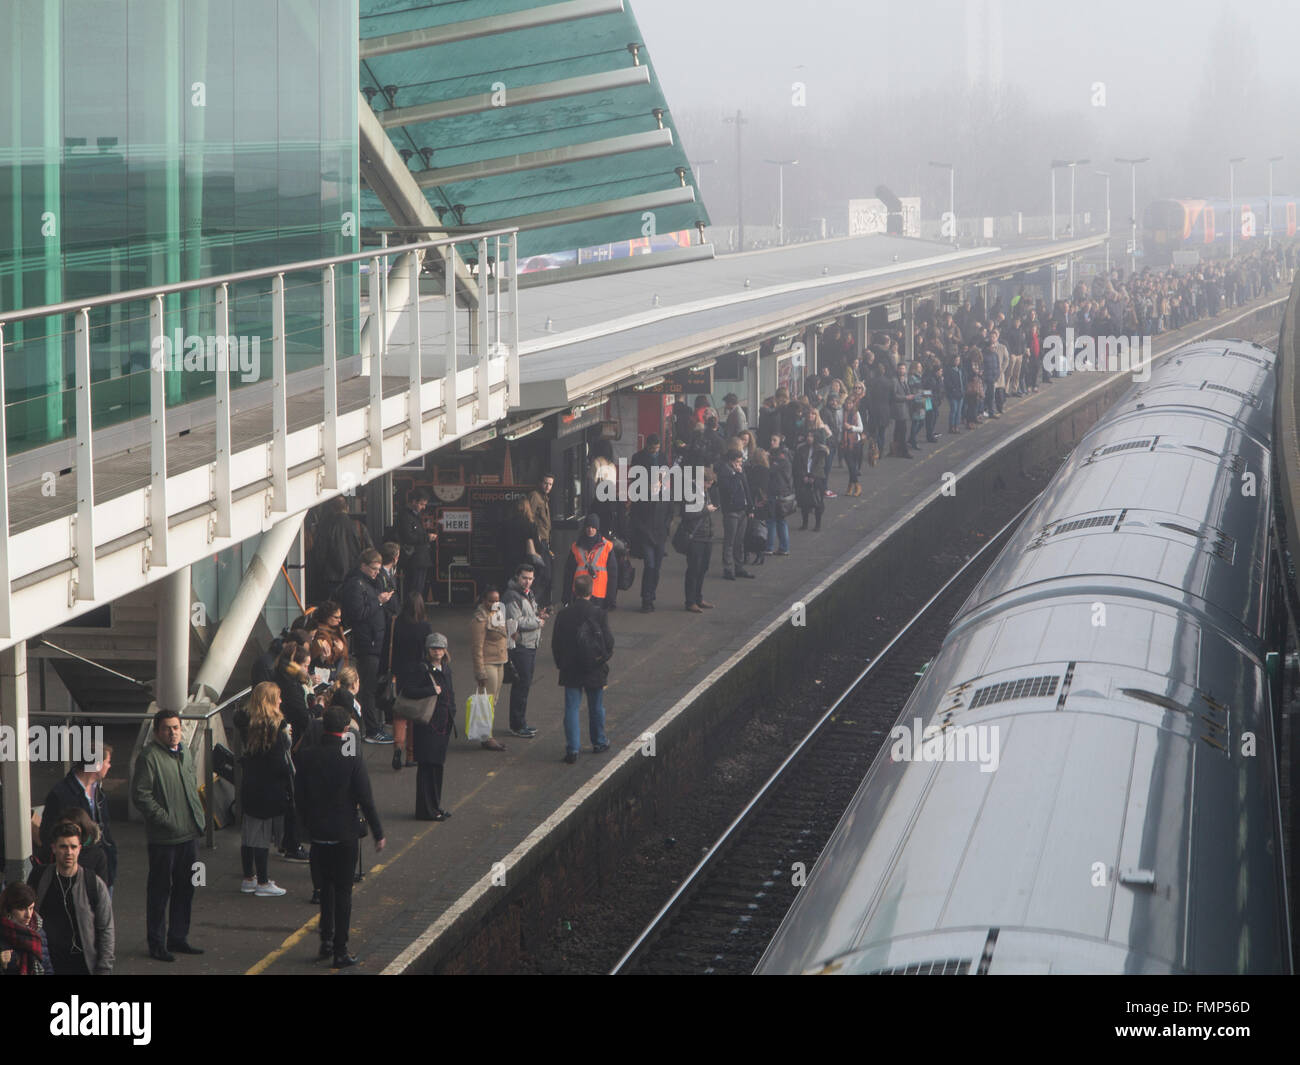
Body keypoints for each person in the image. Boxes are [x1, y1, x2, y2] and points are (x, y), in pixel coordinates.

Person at [295, 704, 386, 969]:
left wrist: (306, 824)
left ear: (324, 727)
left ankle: (325, 940)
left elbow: (299, 797)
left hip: (319, 835)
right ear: (346, 729)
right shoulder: (352, 758)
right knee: (344, 892)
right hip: (345, 834)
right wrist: (377, 833)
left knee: (325, 890)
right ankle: (340, 950)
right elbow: (365, 799)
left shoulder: (307, 757)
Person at [131, 707, 205, 962]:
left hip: (189, 835)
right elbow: (141, 795)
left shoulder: (184, 753)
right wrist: (166, 820)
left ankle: (178, 937)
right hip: (164, 839)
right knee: (160, 892)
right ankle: (156, 943)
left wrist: (199, 819)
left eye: (176, 727)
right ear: (157, 731)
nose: (173, 733)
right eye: (167, 728)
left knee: (188, 888)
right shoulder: (149, 757)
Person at [28, 821, 114, 975]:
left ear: (79, 849)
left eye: (73, 847)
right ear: (54, 848)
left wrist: (104, 968)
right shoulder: (39, 878)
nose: (69, 852)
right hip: (48, 964)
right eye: (63, 846)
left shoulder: (93, 884)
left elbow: (106, 928)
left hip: (82, 965)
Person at [232, 682, 293, 897]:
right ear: (269, 701)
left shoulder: (246, 724)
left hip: (250, 786)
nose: (281, 701)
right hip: (269, 790)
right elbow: (279, 764)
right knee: (262, 837)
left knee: (249, 835)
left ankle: (249, 877)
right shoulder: (274, 728)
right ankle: (264, 882)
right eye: (277, 697)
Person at [551, 573, 614, 763]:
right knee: (596, 707)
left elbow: (556, 643)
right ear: (591, 590)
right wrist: (601, 660)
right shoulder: (599, 614)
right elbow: (609, 642)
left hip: (571, 668)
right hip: (594, 667)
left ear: (574, 590)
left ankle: (573, 749)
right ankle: (599, 742)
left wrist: (561, 663)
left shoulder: (563, 615)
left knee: (571, 708)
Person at [39, 744, 117, 889]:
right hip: (75, 874)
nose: (110, 766)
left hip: (102, 867)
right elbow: (47, 834)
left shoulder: (98, 791)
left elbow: (105, 828)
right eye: (108, 762)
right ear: (97, 765)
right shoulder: (61, 795)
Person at [398, 633, 457, 820]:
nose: (437, 651)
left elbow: (450, 693)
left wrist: (452, 713)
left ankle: (435, 807)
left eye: (440, 648)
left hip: (443, 724)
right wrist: (431, 690)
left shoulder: (446, 669)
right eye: (434, 648)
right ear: (428, 650)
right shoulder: (421, 669)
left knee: (437, 766)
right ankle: (425, 810)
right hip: (428, 724)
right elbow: (407, 690)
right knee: (427, 768)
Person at [341, 548, 394, 744]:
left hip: (374, 640)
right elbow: (358, 614)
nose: (376, 573)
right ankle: (372, 730)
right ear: (363, 566)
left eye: (378, 569)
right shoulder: (356, 585)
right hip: (367, 642)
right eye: (373, 569)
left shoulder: (369, 582)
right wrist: (378, 601)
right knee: (368, 688)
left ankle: (373, 726)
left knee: (372, 685)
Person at [389, 592, 432, 770]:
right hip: (418, 673)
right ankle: (411, 755)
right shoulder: (425, 626)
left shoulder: (396, 623)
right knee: (414, 714)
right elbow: (428, 651)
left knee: (400, 712)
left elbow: (390, 647)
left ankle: (398, 746)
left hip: (400, 672)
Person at [628, 437, 671, 613]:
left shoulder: (665, 496)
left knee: (657, 568)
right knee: (650, 565)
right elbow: (635, 517)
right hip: (647, 536)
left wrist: (666, 530)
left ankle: (650, 595)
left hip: (659, 536)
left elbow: (669, 515)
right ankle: (646, 598)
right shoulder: (641, 498)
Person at [502, 564, 545, 737]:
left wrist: (538, 614)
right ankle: (517, 725)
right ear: (517, 577)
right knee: (521, 686)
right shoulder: (512, 596)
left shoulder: (527, 594)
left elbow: (527, 615)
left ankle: (520, 722)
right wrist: (538, 622)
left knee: (524, 685)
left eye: (530, 579)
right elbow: (515, 621)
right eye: (524, 578)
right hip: (521, 647)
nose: (527, 582)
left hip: (530, 645)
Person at [468, 587, 509, 751]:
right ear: (483, 600)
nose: (494, 603)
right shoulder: (480, 619)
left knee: (495, 700)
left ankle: (487, 733)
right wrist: (480, 671)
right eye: (491, 600)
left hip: (500, 661)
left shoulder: (498, 614)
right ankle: (486, 736)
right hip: (488, 663)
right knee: (487, 701)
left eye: (497, 600)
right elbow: (476, 647)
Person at [562, 513, 620, 610]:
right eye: (588, 526)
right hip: (580, 593)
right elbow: (569, 572)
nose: (590, 529)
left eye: (593, 527)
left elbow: (613, 574)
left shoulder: (607, 547)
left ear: (597, 528)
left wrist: (611, 597)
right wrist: (566, 595)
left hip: (598, 594)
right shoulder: (575, 547)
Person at [310, 496, 362, 601]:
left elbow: (320, 554)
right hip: (353, 576)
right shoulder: (358, 526)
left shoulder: (325, 527)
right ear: (347, 507)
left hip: (331, 578)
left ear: (332, 509)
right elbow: (367, 551)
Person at [681, 468, 719, 611]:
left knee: (703, 568)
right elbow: (686, 513)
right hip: (696, 536)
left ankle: (698, 598)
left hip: (706, 535)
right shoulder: (690, 491)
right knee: (693, 569)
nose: (709, 486)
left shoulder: (705, 491)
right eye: (708, 483)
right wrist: (705, 510)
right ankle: (690, 601)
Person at [717, 449, 756, 580]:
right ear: (731, 461)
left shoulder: (740, 471)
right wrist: (737, 475)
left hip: (743, 510)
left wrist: (750, 508)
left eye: (741, 461)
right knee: (730, 541)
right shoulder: (724, 472)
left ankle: (739, 567)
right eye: (737, 462)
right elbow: (729, 490)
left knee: (739, 541)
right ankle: (728, 568)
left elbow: (746, 488)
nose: (740, 464)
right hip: (731, 511)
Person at [0, 882, 52, 975]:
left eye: (31, 908)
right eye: (22, 909)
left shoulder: (37, 930)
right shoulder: (3, 932)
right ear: (9, 909)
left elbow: (47, 967)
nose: (28, 915)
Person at [396, 488, 436, 605]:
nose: (423, 507)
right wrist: (427, 538)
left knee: (417, 590)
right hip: (414, 560)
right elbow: (408, 537)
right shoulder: (405, 516)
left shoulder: (413, 515)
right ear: (413, 501)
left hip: (419, 559)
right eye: (421, 504)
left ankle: (415, 613)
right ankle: (413, 614)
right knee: (414, 590)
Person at [501, 496, 541, 589]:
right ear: (528, 508)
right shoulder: (530, 525)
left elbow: (500, 544)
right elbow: (536, 548)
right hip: (525, 564)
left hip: (509, 562)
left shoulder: (506, 524)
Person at [528, 474, 556, 607]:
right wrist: (536, 537)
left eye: (550, 484)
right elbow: (530, 517)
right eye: (546, 483)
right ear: (540, 483)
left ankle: (538, 605)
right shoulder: (535, 496)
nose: (548, 486)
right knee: (543, 575)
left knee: (545, 575)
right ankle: (533, 604)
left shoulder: (545, 498)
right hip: (539, 542)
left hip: (545, 542)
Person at [793, 430, 828, 530]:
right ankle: (805, 523)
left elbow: (820, 465)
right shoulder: (801, 449)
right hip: (804, 477)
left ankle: (818, 524)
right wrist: (803, 475)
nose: (809, 438)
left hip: (817, 478)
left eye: (811, 436)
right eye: (808, 436)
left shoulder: (821, 450)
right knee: (804, 502)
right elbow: (798, 464)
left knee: (817, 501)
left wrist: (813, 476)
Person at [766, 435, 793, 556]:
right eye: (771, 440)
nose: (771, 442)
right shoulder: (780, 454)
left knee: (772, 520)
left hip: (777, 491)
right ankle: (783, 547)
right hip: (781, 491)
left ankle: (769, 547)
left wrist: (766, 459)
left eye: (774, 440)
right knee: (780, 520)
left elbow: (771, 470)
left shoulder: (780, 457)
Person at [890, 362, 915, 458]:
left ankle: (895, 449)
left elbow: (907, 391)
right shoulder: (894, 380)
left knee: (898, 430)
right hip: (899, 409)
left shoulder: (904, 379)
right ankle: (904, 451)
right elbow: (894, 395)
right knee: (903, 430)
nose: (902, 370)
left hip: (904, 408)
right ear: (897, 369)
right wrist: (906, 397)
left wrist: (911, 395)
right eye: (900, 368)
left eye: (903, 369)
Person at [841, 398, 864, 496]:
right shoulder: (842, 413)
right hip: (845, 442)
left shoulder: (856, 413)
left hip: (855, 442)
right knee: (850, 465)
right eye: (847, 403)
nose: (848, 405)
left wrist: (851, 427)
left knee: (853, 465)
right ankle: (855, 485)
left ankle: (853, 485)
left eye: (850, 403)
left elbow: (861, 428)